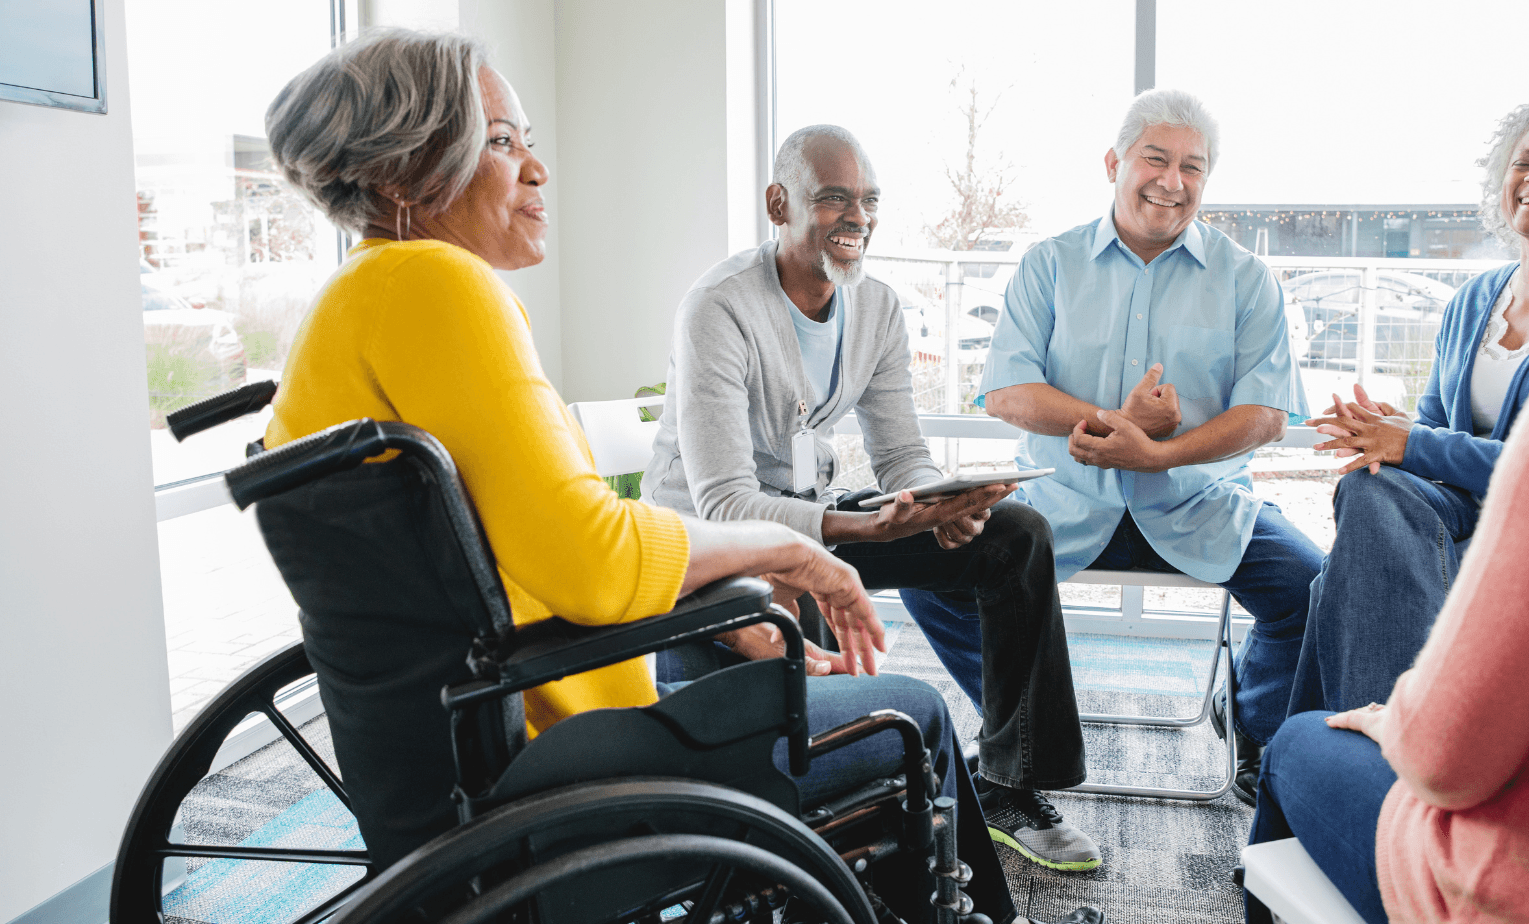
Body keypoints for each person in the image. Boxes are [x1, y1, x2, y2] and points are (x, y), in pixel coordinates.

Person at [260, 30, 1101, 924]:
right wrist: (786, 550)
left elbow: (530, 554)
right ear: (400, 175)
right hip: (566, 754)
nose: (537, 168)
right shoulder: (439, 285)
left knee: (936, 596)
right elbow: (589, 555)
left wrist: (734, 588)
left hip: (481, 732)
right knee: (907, 716)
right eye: (501, 141)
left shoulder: (361, 300)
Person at [644, 124, 1100, 871]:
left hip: (817, 517)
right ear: (778, 202)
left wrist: (940, 502)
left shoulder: (878, 309)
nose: (857, 217)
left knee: (1015, 534)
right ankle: (848, 823)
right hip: (718, 543)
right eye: (833, 199)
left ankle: (1013, 784)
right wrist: (860, 533)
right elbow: (724, 503)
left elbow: (899, 453)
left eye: (869, 201)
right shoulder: (719, 309)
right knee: (817, 592)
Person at [964, 88, 1321, 806]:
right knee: (937, 573)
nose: (1173, 181)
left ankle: (1252, 722)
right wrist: (1111, 423)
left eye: (1194, 166)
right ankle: (1023, 728)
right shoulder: (1050, 263)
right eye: (1156, 158)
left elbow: (1267, 415)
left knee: (1314, 589)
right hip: (1059, 505)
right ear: (1113, 162)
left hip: (1198, 504)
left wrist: (1158, 455)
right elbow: (1005, 391)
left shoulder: (1247, 279)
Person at [1245, 325, 1529, 924]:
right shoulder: (1476, 303)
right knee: (1365, 508)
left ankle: (1338, 733)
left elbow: (1444, 767)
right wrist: (1403, 434)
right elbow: (1427, 429)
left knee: (1297, 740)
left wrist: (1396, 725)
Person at [1290, 83, 1529, 720]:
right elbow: (1433, 423)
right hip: (1452, 522)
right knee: (1369, 490)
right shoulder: (1474, 300)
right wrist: (1387, 432)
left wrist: (1414, 444)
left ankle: (1351, 742)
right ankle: (1386, 733)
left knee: (1340, 580)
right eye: (1525, 162)